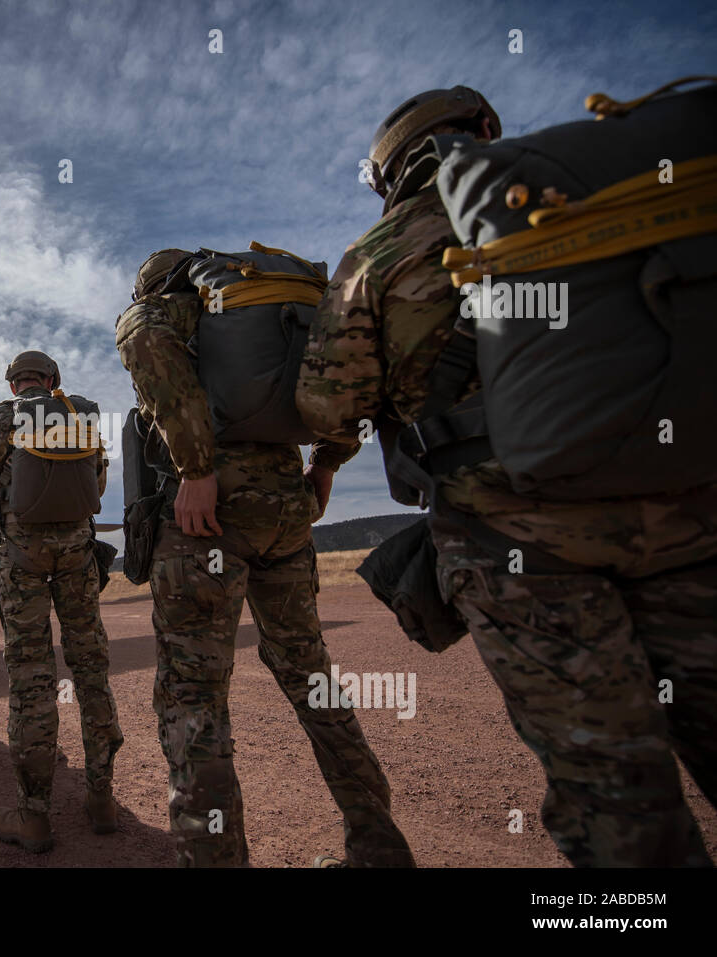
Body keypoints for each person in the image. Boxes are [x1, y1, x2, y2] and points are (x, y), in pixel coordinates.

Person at [296, 84, 717, 867]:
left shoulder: (378, 256)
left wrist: (331, 459)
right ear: (487, 128)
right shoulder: (595, 184)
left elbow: (328, 407)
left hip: (519, 548)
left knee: (614, 795)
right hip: (691, 506)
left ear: (388, 176)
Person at [116, 249, 415, 867]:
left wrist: (196, 468)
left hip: (207, 518)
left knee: (194, 695)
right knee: (314, 681)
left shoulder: (174, 310)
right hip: (286, 506)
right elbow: (353, 370)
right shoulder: (283, 313)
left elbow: (144, 341)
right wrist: (327, 461)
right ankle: (379, 850)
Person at [0, 350, 124, 853]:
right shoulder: (81, 412)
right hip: (78, 559)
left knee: (31, 680)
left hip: (20, 560)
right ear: (53, 381)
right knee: (92, 670)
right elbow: (99, 481)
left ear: (13, 385)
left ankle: (33, 815)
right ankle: (101, 799)